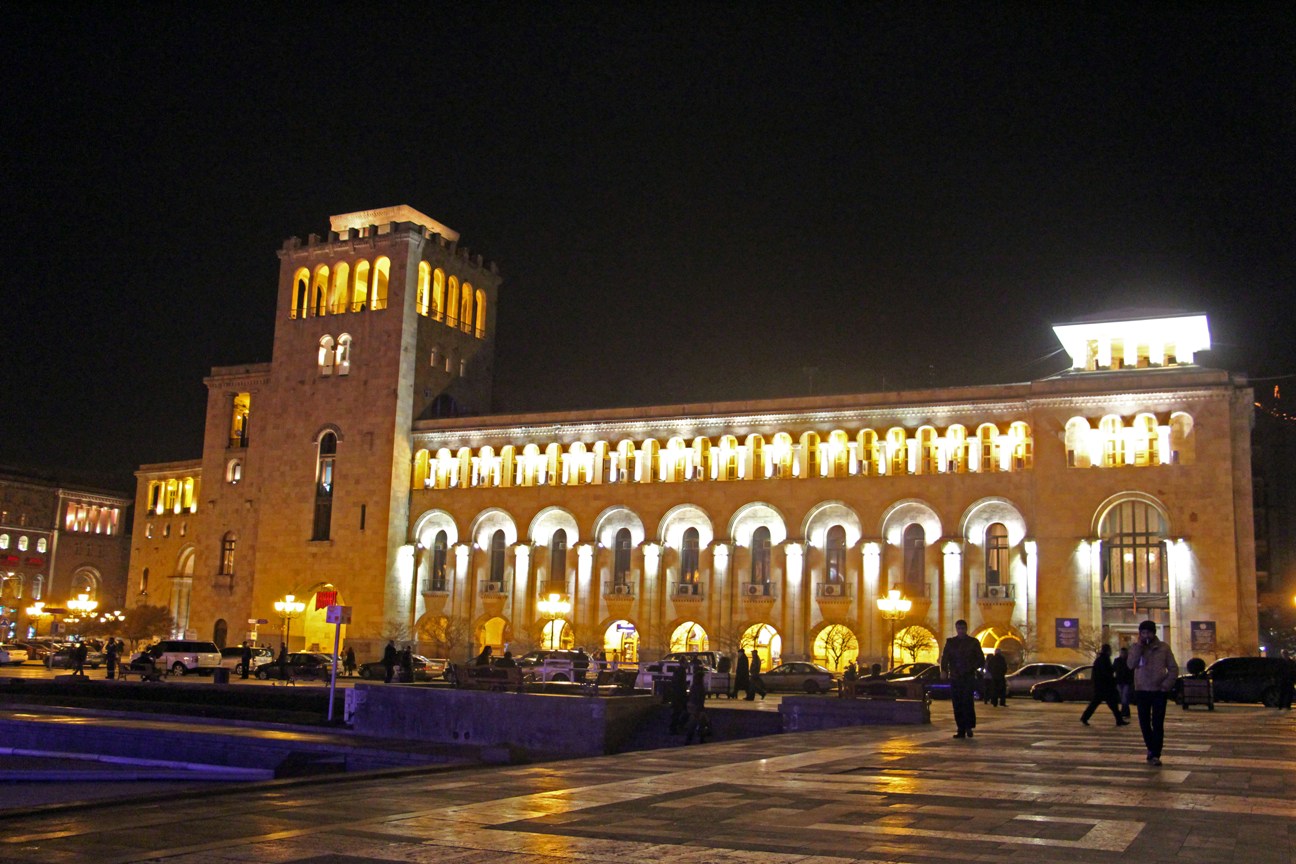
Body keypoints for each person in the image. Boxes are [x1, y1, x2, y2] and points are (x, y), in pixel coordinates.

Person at [1126, 620, 1178, 766]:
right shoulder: (1136, 647)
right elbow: (1131, 665)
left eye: (1148, 632)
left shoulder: (1163, 648)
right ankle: (1150, 748)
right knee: (1144, 722)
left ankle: (1155, 753)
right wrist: (1139, 647)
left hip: (1158, 691)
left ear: (1154, 633)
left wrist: (1166, 685)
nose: (1146, 635)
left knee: (1158, 722)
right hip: (1141, 690)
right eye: (1143, 632)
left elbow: (1173, 668)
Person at [941, 619, 984, 739]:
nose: (961, 631)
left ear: (966, 629)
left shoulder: (973, 642)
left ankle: (968, 726)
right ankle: (961, 728)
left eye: (963, 629)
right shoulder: (951, 642)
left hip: (968, 676)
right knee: (957, 703)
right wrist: (944, 670)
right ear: (956, 629)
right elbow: (945, 658)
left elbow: (980, 659)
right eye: (959, 629)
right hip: (955, 677)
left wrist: (972, 667)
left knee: (967, 702)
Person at [1080, 644, 1129, 727]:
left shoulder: (1099, 660)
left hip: (1101, 686)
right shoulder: (1105, 660)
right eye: (1110, 650)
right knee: (1111, 704)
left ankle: (1085, 717)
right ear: (1108, 651)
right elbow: (1107, 673)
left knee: (1100, 704)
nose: (1110, 652)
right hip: (1105, 687)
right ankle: (1119, 720)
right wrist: (1113, 676)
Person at [683, 658, 710, 745]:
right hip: (697, 707)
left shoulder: (694, 686)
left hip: (693, 706)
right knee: (698, 722)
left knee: (697, 722)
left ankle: (692, 738)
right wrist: (700, 707)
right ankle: (698, 738)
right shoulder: (700, 687)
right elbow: (699, 698)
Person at [667, 661, 689, 734]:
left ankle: (675, 727)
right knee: (681, 712)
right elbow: (681, 683)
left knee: (677, 712)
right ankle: (677, 727)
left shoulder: (677, 671)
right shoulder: (682, 671)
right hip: (680, 695)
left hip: (677, 694)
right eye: (686, 663)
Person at [1115, 646, 1134, 718]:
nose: (1123, 654)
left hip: (1127, 682)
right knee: (1123, 697)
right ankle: (1126, 712)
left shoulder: (1129, 661)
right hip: (1120, 681)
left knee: (1124, 697)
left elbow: (1132, 671)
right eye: (1122, 653)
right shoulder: (1117, 661)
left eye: (1124, 653)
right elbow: (1114, 669)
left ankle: (1124, 712)